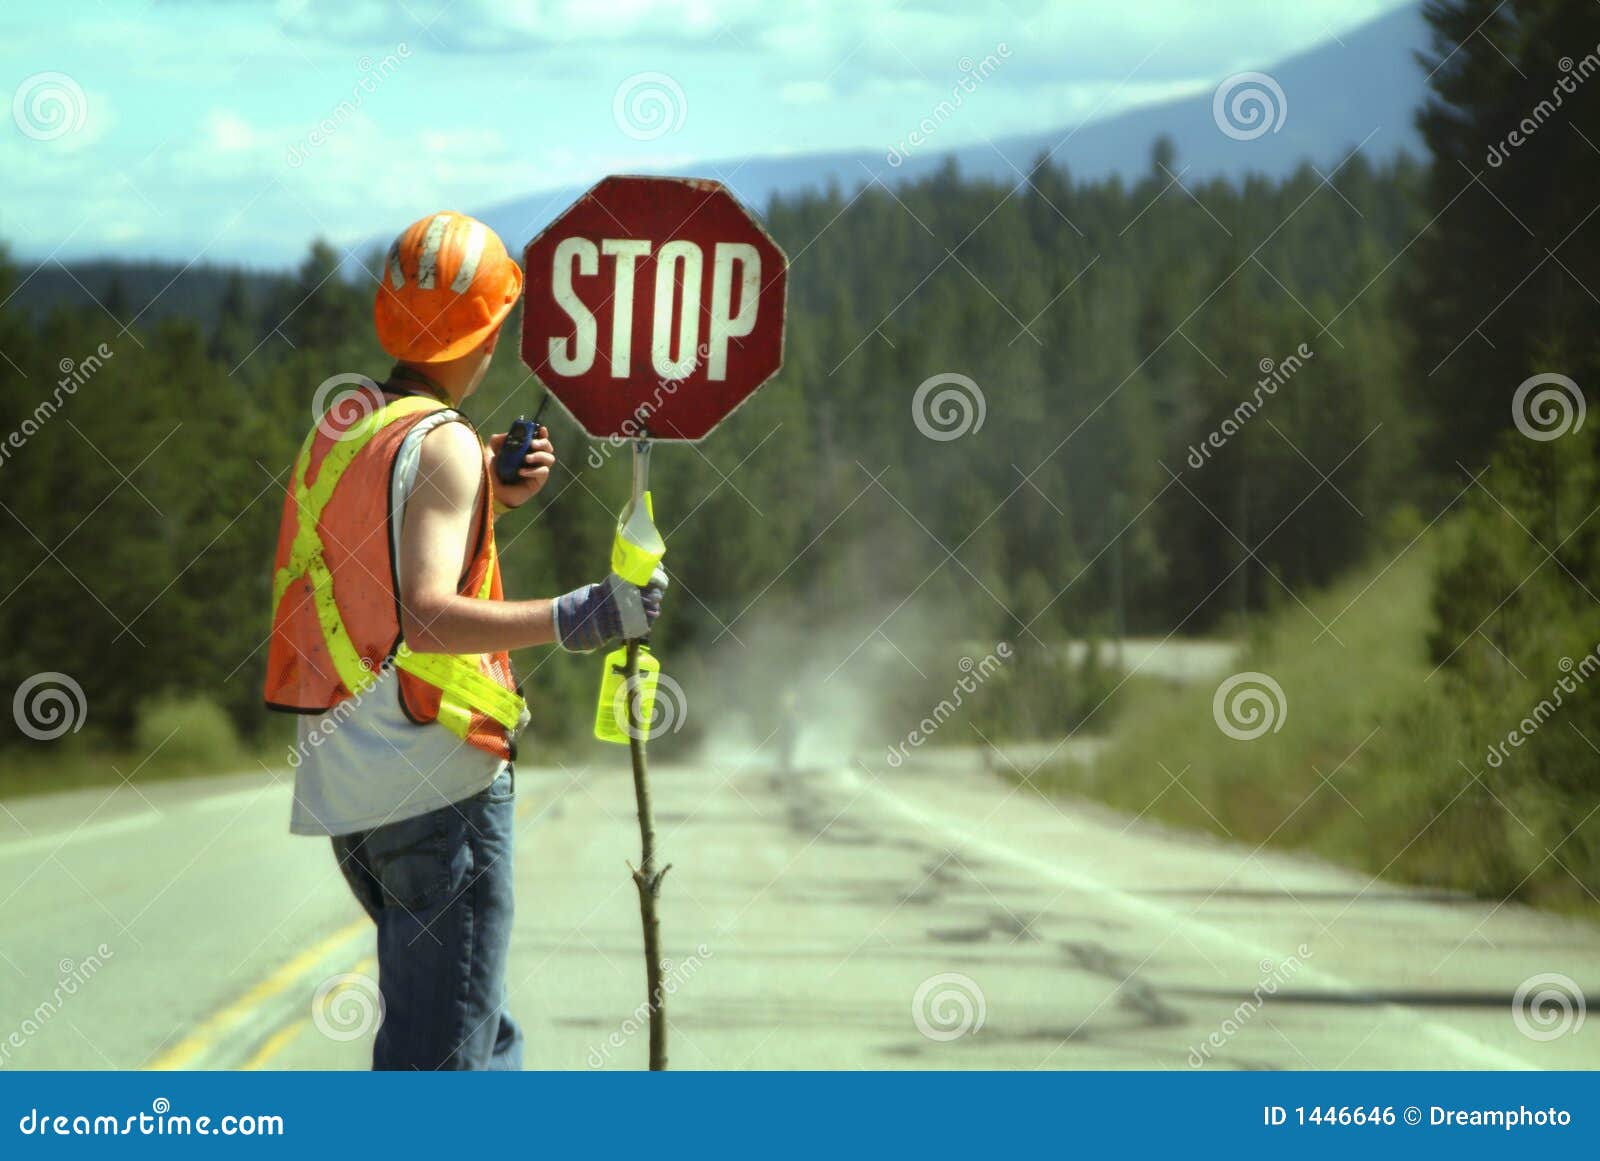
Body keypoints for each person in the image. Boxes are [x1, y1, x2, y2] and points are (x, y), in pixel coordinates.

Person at [262, 211, 667, 1070]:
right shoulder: (442, 444)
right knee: (443, 1062)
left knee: (481, 1032)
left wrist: (488, 487)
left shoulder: (348, 424)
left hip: (352, 790)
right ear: (483, 336)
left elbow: (373, 558)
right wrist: (579, 614)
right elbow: (427, 615)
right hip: (436, 788)